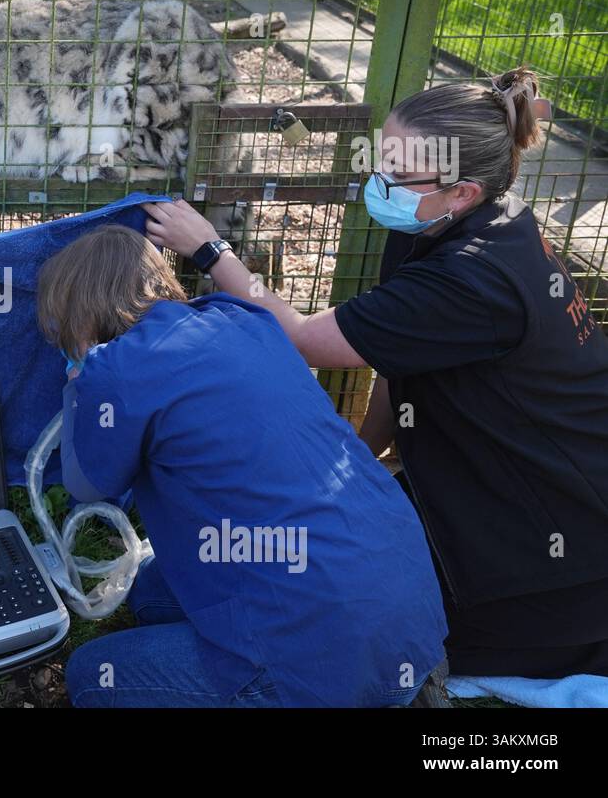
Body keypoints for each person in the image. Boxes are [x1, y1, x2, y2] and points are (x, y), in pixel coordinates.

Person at [142, 66, 608, 680]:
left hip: (547, 537)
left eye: (398, 172)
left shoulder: (467, 278)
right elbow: (397, 358)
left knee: (367, 621)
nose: (378, 181)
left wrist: (210, 250)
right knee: (190, 589)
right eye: (380, 160)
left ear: (462, 190)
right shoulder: (465, 221)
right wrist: (361, 459)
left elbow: (304, 337)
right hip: (492, 475)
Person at [37, 224, 447, 707]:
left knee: (93, 675)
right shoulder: (242, 319)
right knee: (150, 595)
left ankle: (309, 691)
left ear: (81, 317)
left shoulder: (115, 369)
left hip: (326, 647)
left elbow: (86, 484)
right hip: (405, 607)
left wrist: (78, 379)